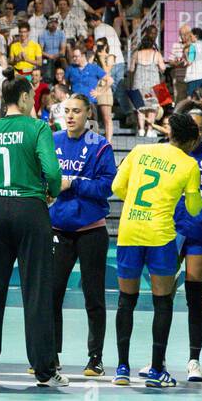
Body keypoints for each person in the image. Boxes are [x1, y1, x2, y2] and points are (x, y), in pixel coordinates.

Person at [0, 77, 66, 386]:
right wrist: (49, 192)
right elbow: (52, 172)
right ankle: (44, 371)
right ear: (24, 98)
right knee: (36, 291)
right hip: (30, 209)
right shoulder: (37, 129)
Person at [110, 111, 202, 388]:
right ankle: (155, 371)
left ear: (171, 133)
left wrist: (140, 204)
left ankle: (122, 368)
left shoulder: (139, 151)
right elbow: (194, 209)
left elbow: (117, 187)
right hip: (159, 236)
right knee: (162, 302)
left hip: (128, 232)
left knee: (126, 301)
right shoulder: (189, 165)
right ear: (191, 142)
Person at [156, 102, 202, 383]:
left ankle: (194, 360)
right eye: (193, 128)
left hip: (200, 233)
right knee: (161, 295)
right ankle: (158, 359)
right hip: (167, 231)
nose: (197, 134)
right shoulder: (165, 155)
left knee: (193, 295)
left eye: (201, 128)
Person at [49, 94, 116, 377]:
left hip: (91, 230)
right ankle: (49, 356)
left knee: (93, 296)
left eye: (76, 111)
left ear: (89, 113)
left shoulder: (100, 146)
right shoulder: (52, 141)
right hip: (57, 230)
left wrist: (73, 183)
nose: (71, 116)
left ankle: (95, 357)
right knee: (51, 295)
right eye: (67, 111)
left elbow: (106, 187)